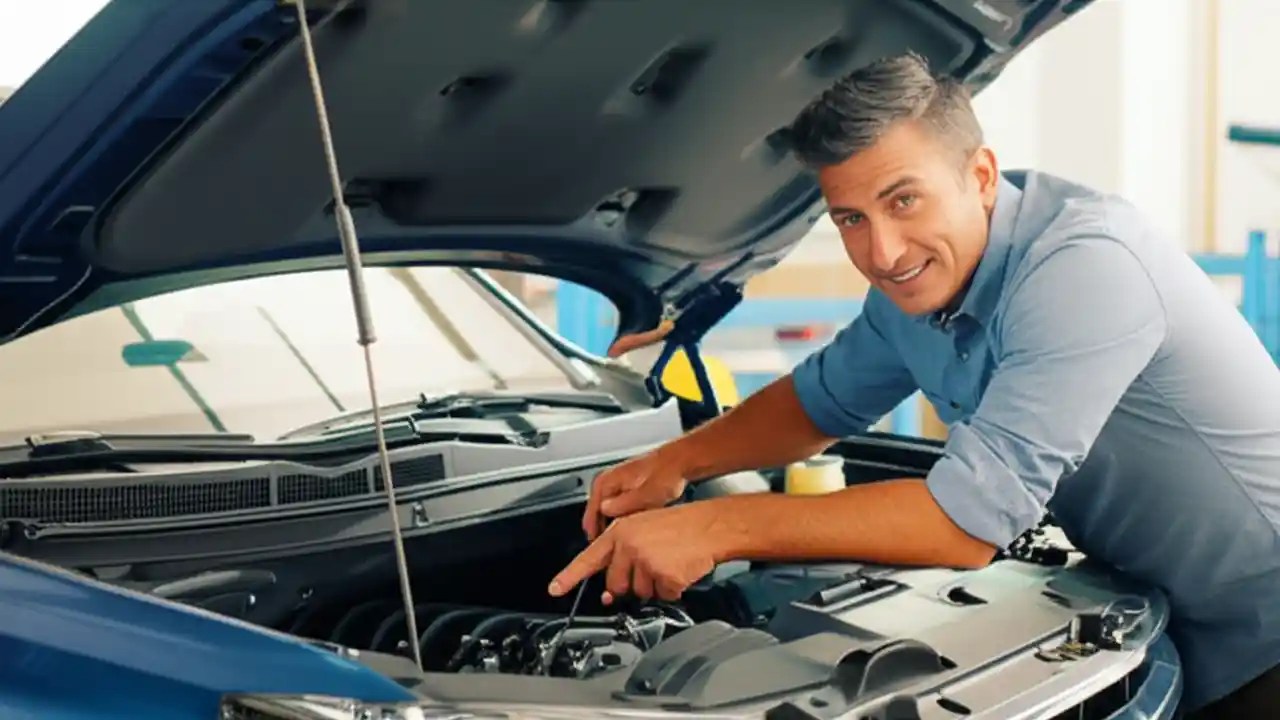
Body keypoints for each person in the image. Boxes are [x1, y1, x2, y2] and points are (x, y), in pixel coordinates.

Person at [546, 53, 1280, 716]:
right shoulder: (919, 285)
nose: (883, 252)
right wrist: (672, 465)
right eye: (850, 220)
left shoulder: (1086, 267)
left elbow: (962, 525)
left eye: (904, 201)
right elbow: (817, 401)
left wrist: (715, 528)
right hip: (1164, 620)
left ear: (981, 176)